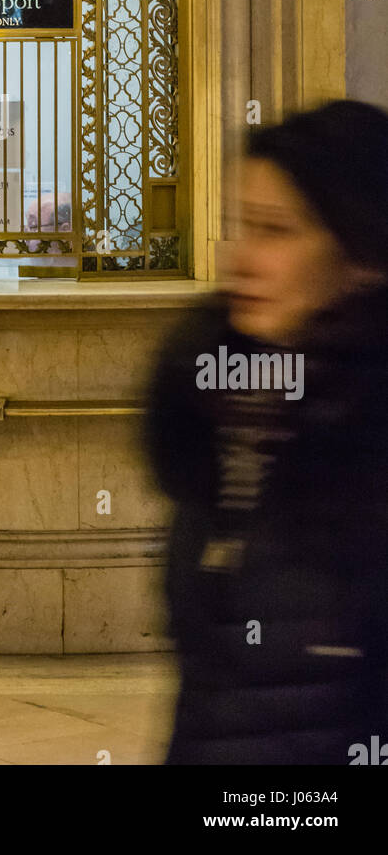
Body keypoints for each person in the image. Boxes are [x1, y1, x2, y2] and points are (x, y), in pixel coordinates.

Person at [145, 99, 388, 765]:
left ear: (362, 252)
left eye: (275, 231)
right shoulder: (224, 415)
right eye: (239, 226)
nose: (240, 260)